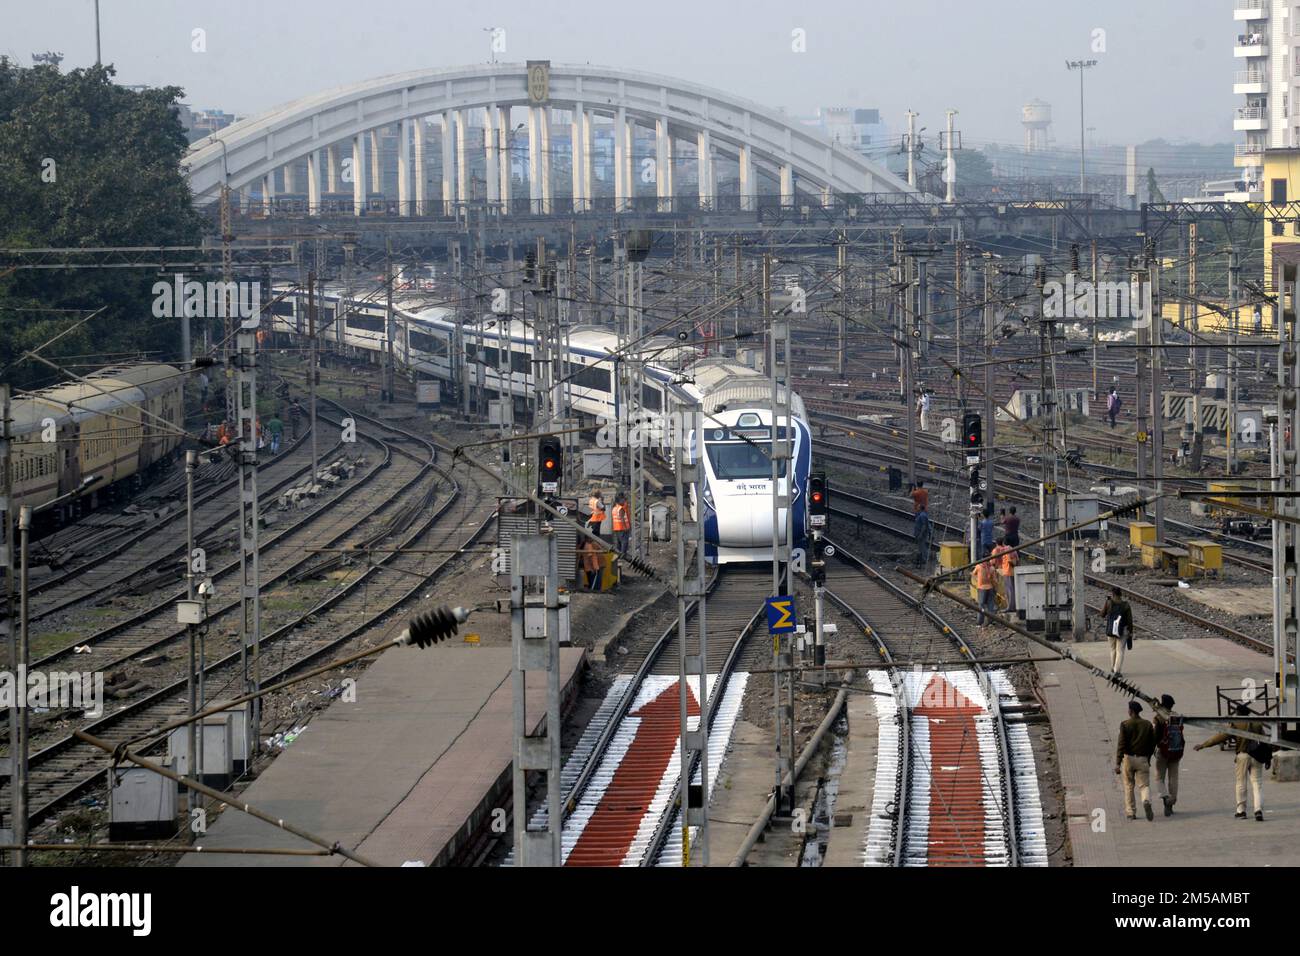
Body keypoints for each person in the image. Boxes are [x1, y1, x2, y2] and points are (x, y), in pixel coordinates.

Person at [1195, 702, 1267, 821]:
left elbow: (1221, 737)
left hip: (1242, 755)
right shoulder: (1257, 723)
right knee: (1257, 784)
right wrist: (1268, 758)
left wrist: (1204, 745)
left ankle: (1241, 811)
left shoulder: (1236, 723)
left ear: (1239, 713)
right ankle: (1258, 810)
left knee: (1241, 783)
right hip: (1257, 756)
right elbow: (1265, 740)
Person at [1116, 700, 1157, 821]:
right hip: (1143, 758)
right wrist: (1148, 758)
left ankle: (1130, 812)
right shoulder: (1147, 724)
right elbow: (1152, 743)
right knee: (1144, 785)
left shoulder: (1125, 724)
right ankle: (1146, 800)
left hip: (1128, 759)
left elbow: (1121, 744)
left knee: (1129, 785)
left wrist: (1118, 763)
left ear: (1131, 711)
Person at [1153, 694, 1185, 817]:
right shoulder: (1176, 715)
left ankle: (1165, 797)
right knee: (1173, 778)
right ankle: (1171, 803)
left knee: (1159, 777)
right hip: (1176, 751)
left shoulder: (1159, 718)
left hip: (1163, 751)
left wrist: (1152, 750)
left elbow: (1155, 736)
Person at [1101, 587, 1133, 676]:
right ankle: (1117, 671)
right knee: (1120, 650)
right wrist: (1130, 631)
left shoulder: (1108, 602)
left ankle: (1112, 667)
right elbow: (1130, 620)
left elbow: (1102, 614)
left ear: (1112, 594)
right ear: (1120, 595)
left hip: (1111, 629)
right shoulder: (1126, 605)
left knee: (1112, 649)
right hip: (1122, 631)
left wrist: (1106, 603)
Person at [991, 537, 1018, 612]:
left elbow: (1010, 561)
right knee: (1012, 590)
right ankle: (1013, 606)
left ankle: (1010, 607)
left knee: (1009, 590)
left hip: (1007, 572)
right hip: (1012, 572)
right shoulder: (1013, 550)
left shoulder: (1006, 550)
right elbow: (1017, 560)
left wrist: (1011, 564)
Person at [973, 555, 998, 627]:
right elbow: (995, 581)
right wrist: (995, 589)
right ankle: (990, 622)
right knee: (990, 606)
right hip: (990, 588)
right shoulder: (992, 568)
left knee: (981, 606)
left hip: (981, 588)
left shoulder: (979, 566)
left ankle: (979, 622)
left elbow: (973, 574)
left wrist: (977, 580)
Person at [914, 503, 931, 568]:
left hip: (922, 534)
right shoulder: (921, 514)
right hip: (920, 533)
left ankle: (924, 559)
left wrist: (920, 534)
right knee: (921, 547)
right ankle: (923, 559)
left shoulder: (922, 515)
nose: (917, 508)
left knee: (922, 546)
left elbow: (924, 525)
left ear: (920, 508)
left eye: (918, 507)